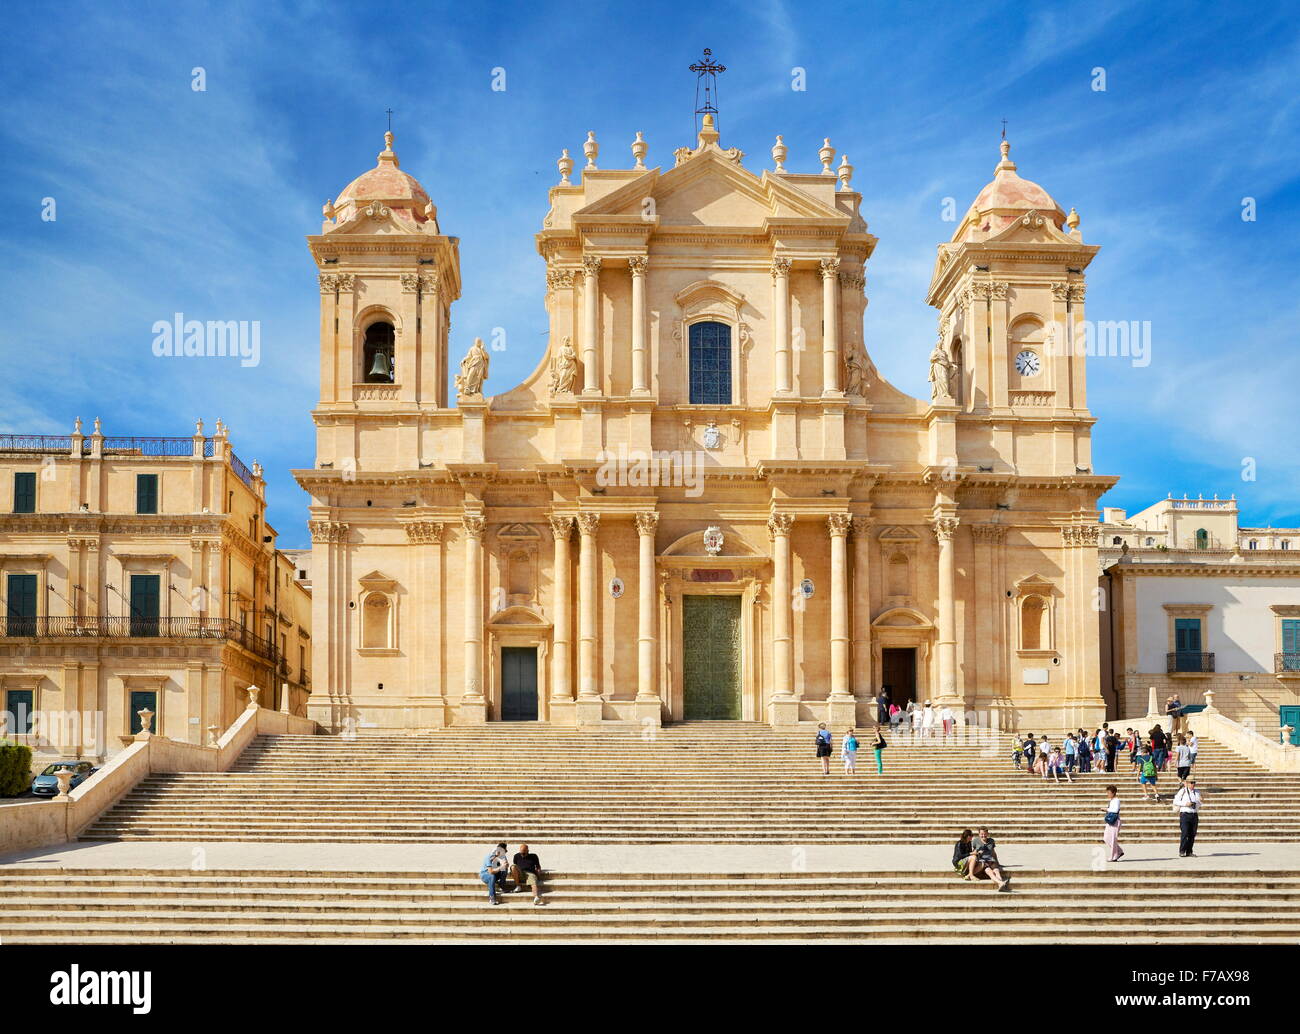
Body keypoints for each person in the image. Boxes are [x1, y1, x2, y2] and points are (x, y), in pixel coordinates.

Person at [969, 827, 1011, 891]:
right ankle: (1001, 883)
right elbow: (973, 852)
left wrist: (997, 862)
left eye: (985, 834)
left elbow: (993, 853)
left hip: (991, 860)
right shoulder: (975, 841)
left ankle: (1001, 884)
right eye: (982, 834)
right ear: (979, 834)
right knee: (990, 872)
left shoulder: (991, 841)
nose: (983, 835)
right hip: (982, 861)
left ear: (987, 834)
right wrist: (977, 852)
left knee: (997, 871)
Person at [1173, 777, 1203, 857]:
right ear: (1186, 783)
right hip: (1185, 814)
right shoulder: (1182, 791)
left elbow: (1199, 804)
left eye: (1193, 782)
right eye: (1191, 782)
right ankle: (1182, 851)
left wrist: (1199, 801)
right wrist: (1186, 804)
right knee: (1185, 833)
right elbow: (1175, 801)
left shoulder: (1197, 792)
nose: (1193, 784)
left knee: (1192, 834)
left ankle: (1189, 851)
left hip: (1194, 814)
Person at [1103, 784, 1124, 861]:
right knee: (1106, 838)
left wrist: (1106, 809)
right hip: (1110, 821)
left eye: (1109, 792)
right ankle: (1119, 851)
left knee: (1112, 839)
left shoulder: (1117, 800)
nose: (1108, 794)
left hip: (1115, 821)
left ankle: (1114, 856)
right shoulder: (1112, 800)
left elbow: (1115, 810)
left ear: (1114, 792)